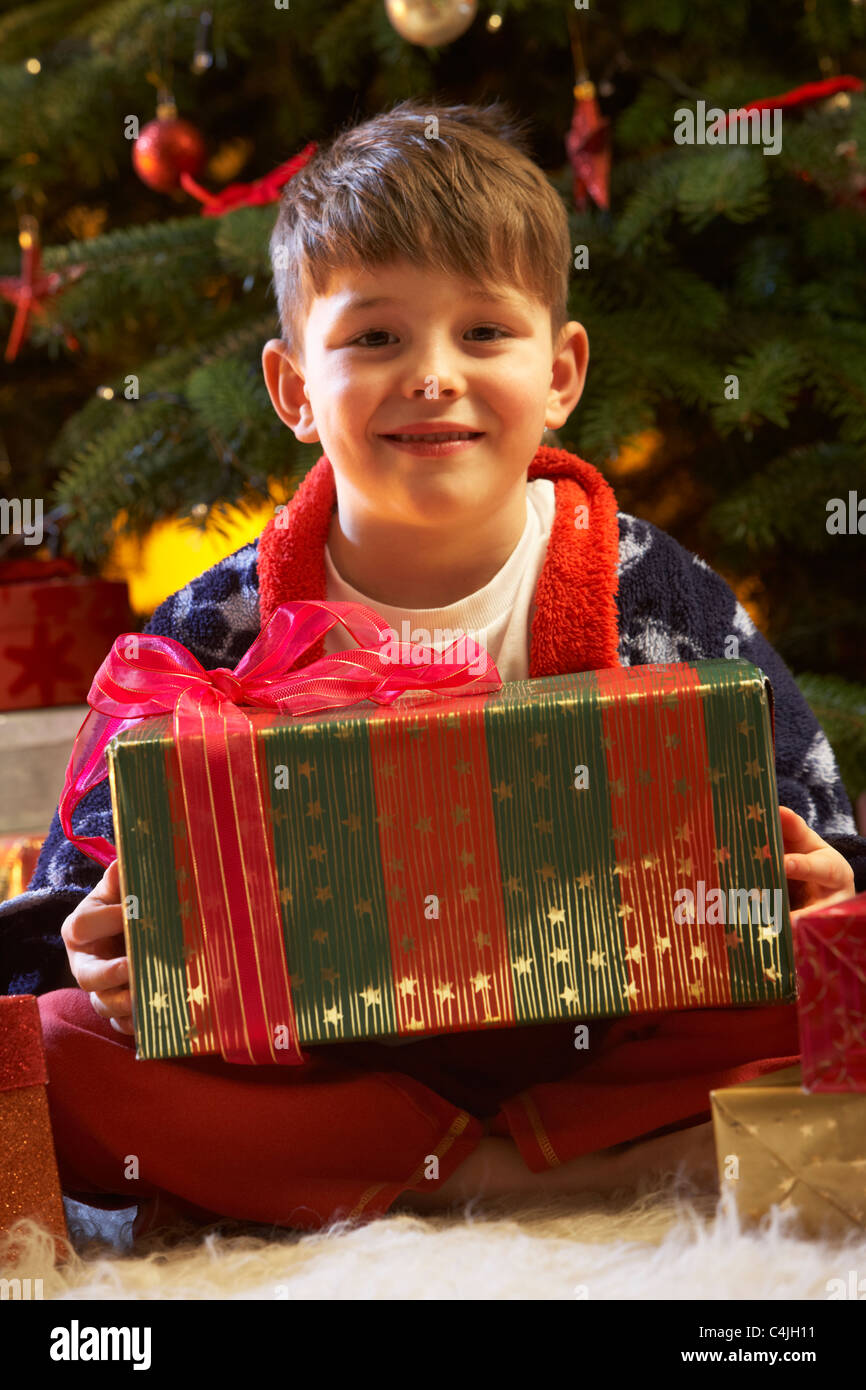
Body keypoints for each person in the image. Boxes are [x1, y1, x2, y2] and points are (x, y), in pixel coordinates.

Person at [2, 100, 861, 1237]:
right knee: (49, 1052)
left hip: (603, 1033)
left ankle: (495, 1155)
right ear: (292, 389)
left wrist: (822, 890)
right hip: (319, 1063)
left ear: (560, 372)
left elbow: (817, 845)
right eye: (374, 338)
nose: (432, 376)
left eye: (483, 334)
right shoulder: (221, 618)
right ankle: (490, 1178)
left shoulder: (650, 586)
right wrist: (99, 942)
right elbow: (76, 903)